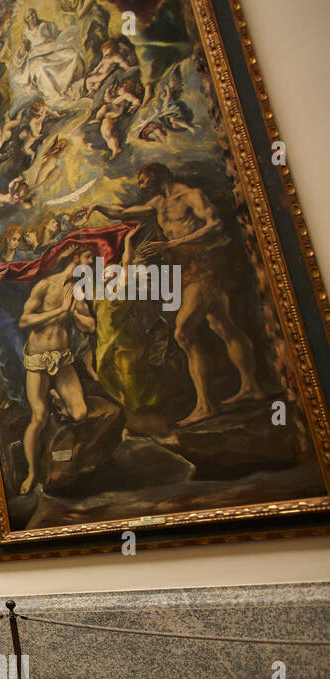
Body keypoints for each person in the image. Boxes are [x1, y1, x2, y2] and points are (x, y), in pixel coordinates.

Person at [81, 162, 262, 424]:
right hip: (187, 269)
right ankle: (251, 387)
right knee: (222, 324)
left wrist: (173, 243)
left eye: (144, 179)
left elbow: (215, 224)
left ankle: (206, 404)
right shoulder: (158, 204)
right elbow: (121, 211)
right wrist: (98, 207)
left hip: (205, 264)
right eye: (140, 182)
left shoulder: (191, 196)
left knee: (183, 332)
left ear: (160, 176)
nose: (142, 185)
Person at [17, 244, 96, 494]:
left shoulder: (78, 291)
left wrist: (73, 315)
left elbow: (91, 326)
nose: (92, 264)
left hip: (62, 359)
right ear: (75, 259)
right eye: (89, 258)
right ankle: (31, 472)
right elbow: (24, 320)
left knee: (80, 414)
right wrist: (59, 311)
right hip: (38, 359)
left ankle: (58, 400)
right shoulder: (45, 285)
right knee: (39, 417)